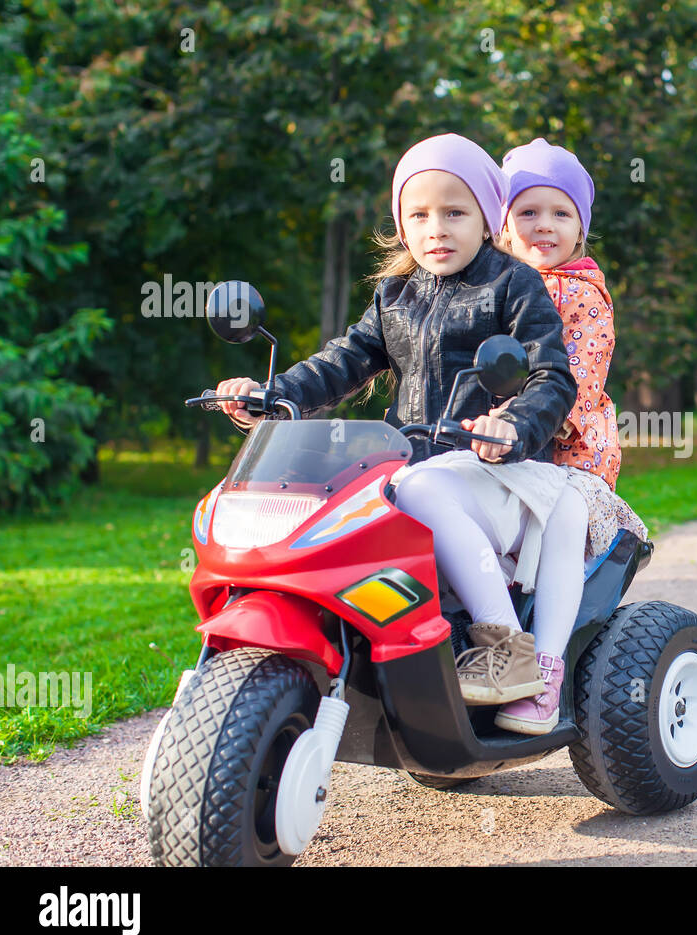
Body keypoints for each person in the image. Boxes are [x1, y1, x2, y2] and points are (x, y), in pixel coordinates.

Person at [215, 132, 579, 714]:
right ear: (401, 224)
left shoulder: (513, 284)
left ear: (487, 218)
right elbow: (340, 363)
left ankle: (506, 646)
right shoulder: (394, 297)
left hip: (496, 474)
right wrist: (269, 393)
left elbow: (553, 377)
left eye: (455, 212)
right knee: (345, 501)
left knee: (416, 485)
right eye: (420, 214)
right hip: (416, 467)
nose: (436, 228)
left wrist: (512, 424)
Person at [486, 137, 648, 734]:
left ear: (581, 227)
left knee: (557, 521)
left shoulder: (580, 294)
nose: (544, 225)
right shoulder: (491, 287)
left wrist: (518, 419)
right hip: (498, 443)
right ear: (503, 224)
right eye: (528, 212)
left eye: (561, 213)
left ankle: (545, 666)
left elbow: (575, 380)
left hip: (568, 451)